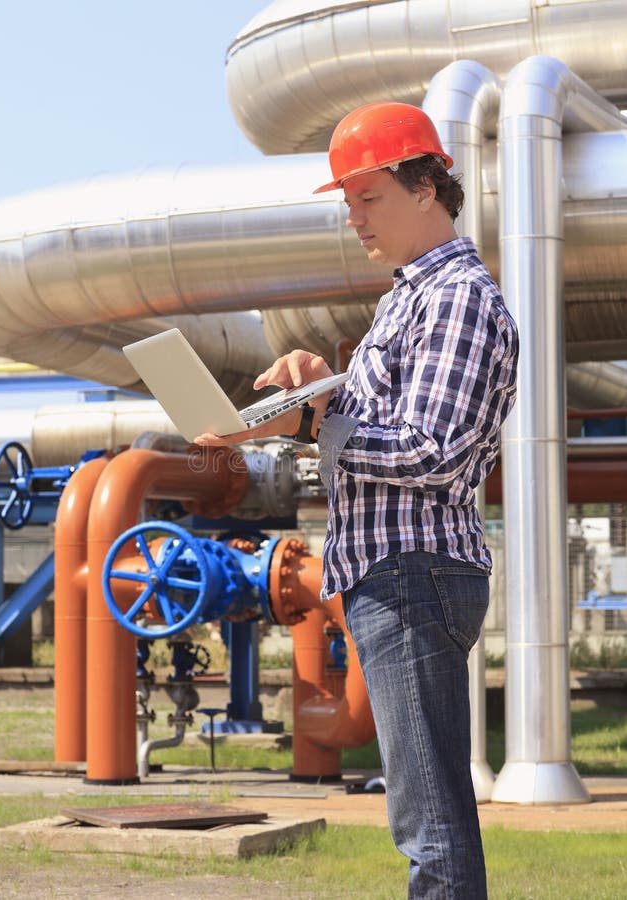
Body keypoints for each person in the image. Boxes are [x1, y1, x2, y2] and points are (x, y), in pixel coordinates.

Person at [196, 101, 519, 899]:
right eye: (347, 203)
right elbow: (382, 423)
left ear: (426, 189)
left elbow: (434, 454)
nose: (354, 219)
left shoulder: (457, 301)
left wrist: (311, 420)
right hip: (393, 572)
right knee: (423, 817)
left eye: (367, 198)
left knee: (431, 826)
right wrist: (320, 384)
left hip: (415, 572)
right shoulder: (408, 300)